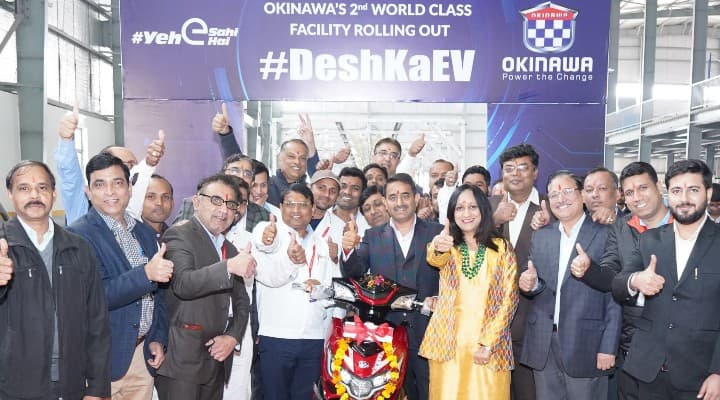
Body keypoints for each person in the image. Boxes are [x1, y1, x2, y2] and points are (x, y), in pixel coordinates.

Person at [0, 160, 111, 399]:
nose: (34, 195)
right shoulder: (3, 247)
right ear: (10, 194)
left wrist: (97, 387)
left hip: (71, 383)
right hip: (13, 386)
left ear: (54, 193)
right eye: (24, 188)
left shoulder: (79, 248)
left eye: (42, 187)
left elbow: (97, 321)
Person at [612, 159, 720, 400]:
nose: (684, 198)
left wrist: (718, 372)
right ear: (667, 193)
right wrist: (636, 280)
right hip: (647, 370)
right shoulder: (650, 239)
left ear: (708, 193)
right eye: (676, 191)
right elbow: (619, 284)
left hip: (700, 375)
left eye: (693, 190)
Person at [68, 153, 170, 399]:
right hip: (101, 362)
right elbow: (96, 297)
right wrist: (145, 274)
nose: (110, 192)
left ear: (129, 188)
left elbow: (158, 295)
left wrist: (157, 337)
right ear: (88, 191)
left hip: (141, 355)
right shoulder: (77, 237)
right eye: (100, 184)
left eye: (117, 183)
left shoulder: (144, 232)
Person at [572, 161, 673, 400]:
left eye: (643, 188)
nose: (636, 197)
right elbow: (611, 275)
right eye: (629, 192)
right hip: (633, 342)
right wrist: (589, 269)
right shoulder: (621, 228)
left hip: (677, 347)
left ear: (658, 187)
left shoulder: (683, 225)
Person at [518, 170, 621, 400]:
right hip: (543, 343)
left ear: (583, 195)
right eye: (554, 194)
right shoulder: (541, 236)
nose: (560, 199)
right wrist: (529, 284)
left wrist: (608, 346)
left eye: (567, 191)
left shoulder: (606, 234)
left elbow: (614, 292)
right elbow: (535, 281)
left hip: (587, 344)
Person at [341, 173, 443, 400]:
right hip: (386, 333)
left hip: (429, 330)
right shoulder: (372, 236)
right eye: (393, 197)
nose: (400, 202)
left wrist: (440, 298)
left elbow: (451, 277)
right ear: (386, 202)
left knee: (429, 391)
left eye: (405, 196)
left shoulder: (437, 232)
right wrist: (348, 250)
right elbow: (354, 272)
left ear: (416, 198)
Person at [156, 174, 253, 400]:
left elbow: (242, 302)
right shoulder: (178, 235)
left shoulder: (229, 248)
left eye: (231, 204)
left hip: (217, 358)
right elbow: (183, 283)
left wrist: (232, 337)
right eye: (216, 200)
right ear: (196, 202)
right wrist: (229, 266)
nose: (224, 210)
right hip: (183, 360)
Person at [420, 184, 519, 400]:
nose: (466, 213)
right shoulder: (448, 246)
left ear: (483, 209)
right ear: (452, 213)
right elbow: (434, 258)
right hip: (447, 345)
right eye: (459, 208)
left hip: (489, 347)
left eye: (472, 207)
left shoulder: (502, 248)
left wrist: (488, 343)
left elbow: (509, 300)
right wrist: (438, 244)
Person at [252, 184, 340, 400]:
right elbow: (267, 272)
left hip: (313, 336)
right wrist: (288, 259)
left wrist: (319, 289)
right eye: (290, 204)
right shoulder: (270, 233)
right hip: (276, 335)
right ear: (280, 207)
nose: (296, 210)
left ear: (313, 209)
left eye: (303, 204)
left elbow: (332, 291)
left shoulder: (323, 244)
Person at [490, 143, 545, 400]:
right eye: (509, 168)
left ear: (535, 172)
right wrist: (496, 220)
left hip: (533, 319)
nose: (515, 173)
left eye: (523, 167)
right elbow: (467, 247)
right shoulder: (487, 206)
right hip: (491, 322)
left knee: (528, 392)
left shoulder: (550, 207)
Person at [55, 106, 166, 224]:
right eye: (127, 166)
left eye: (134, 167)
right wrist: (66, 140)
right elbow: (71, 179)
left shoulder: (132, 218)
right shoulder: (82, 213)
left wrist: (149, 163)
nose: (131, 173)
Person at [142, 174, 174, 239]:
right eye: (151, 196)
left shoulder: (176, 237)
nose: (160, 203)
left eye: (165, 197)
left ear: (172, 203)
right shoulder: (128, 237)